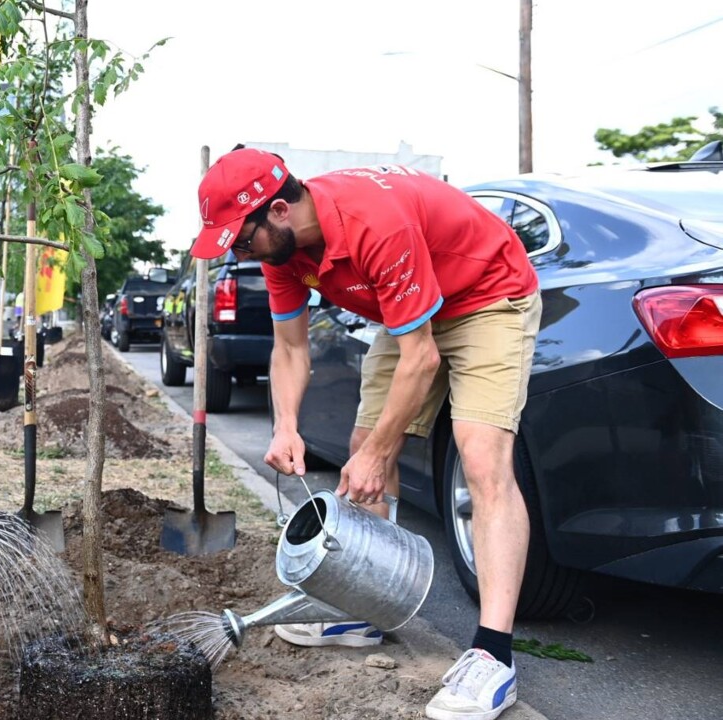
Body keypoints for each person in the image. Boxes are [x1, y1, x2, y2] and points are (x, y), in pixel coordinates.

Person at [191, 148, 540, 720]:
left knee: (482, 460)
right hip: (409, 316)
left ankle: (492, 655)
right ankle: (366, 608)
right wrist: (284, 427)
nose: (237, 251)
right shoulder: (282, 252)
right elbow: (290, 347)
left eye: (240, 238)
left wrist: (384, 451)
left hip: (486, 297)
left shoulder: (373, 222)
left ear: (278, 210)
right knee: (361, 447)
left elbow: (421, 357)